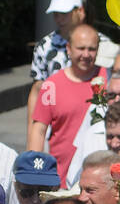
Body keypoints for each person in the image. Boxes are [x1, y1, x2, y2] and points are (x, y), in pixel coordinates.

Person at [28, 25, 107, 186]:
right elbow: (39, 130)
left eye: (91, 49)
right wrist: (34, 174)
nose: (86, 54)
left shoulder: (109, 79)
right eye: (81, 48)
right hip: (62, 179)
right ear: (68, 49)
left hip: (102, 180)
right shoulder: (51, 86)